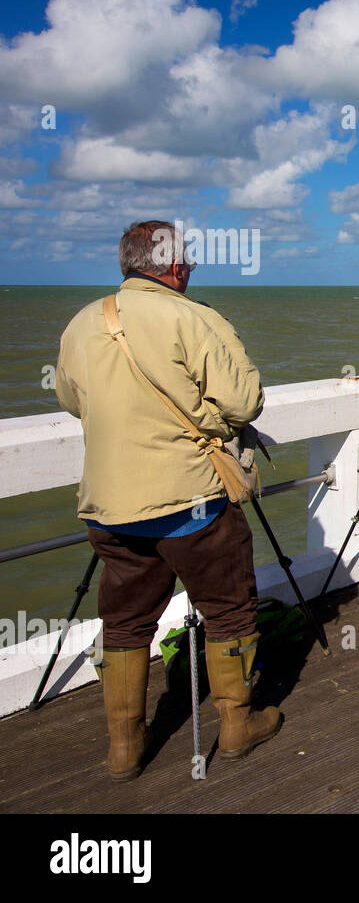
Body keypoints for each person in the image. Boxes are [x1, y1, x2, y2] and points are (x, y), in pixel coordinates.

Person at [54, 221, 282, 782]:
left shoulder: (83, 323)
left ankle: (125, 749)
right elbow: (246, 401)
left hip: (109, 507)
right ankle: (235, 727)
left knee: (126, 623)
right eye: (191, 263)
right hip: (191, 502)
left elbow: (72, 399)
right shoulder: (195, 317)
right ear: (177, 267)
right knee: (228, 609)